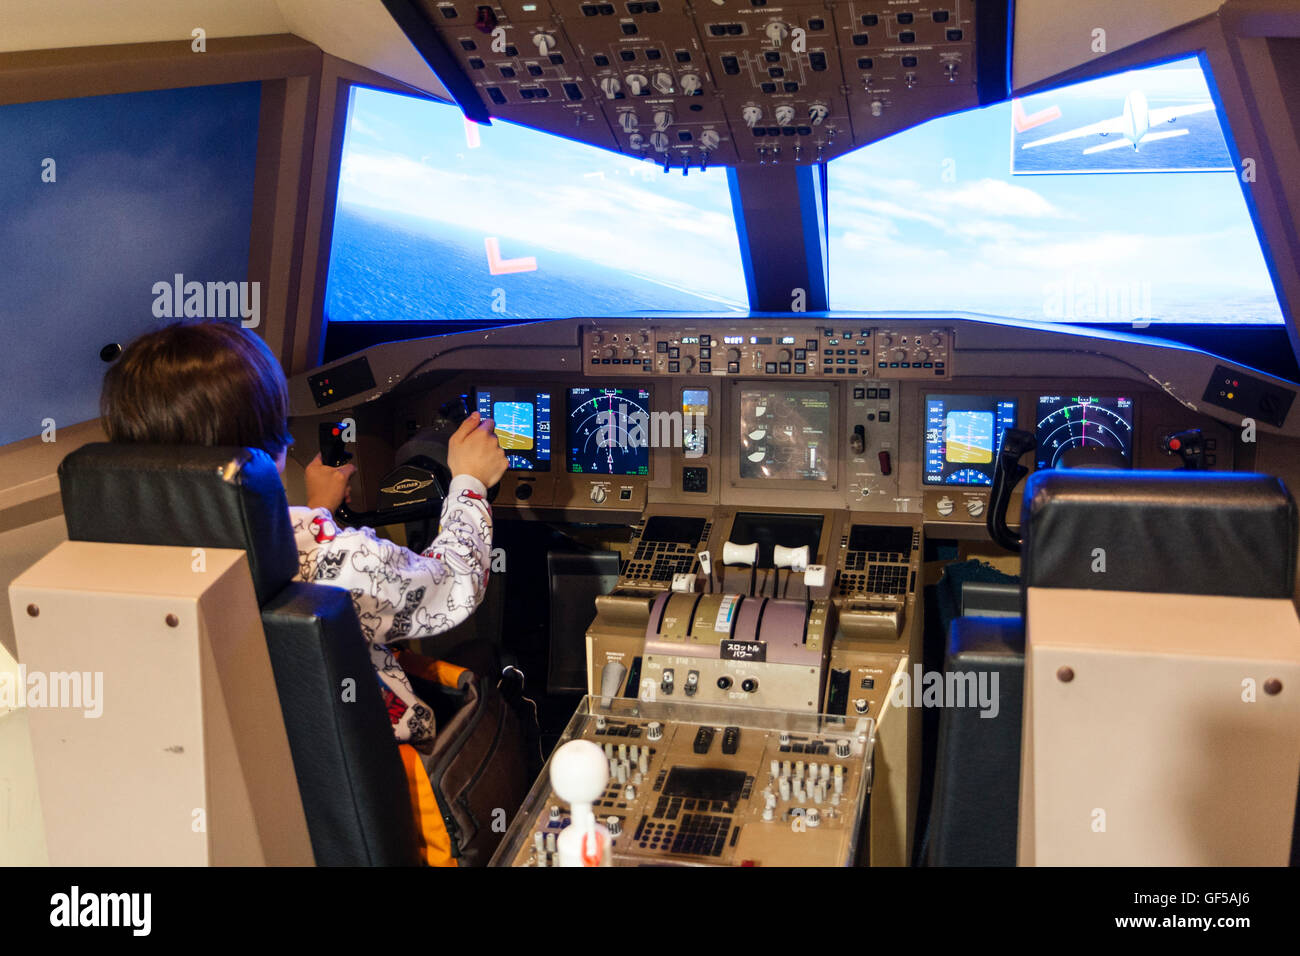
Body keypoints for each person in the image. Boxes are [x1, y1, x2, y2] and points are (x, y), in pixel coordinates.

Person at [99, 319, 508, 757]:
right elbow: (454, 584)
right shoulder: (343, 564)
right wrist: (469, 482)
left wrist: (317, 512)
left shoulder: (117, 558)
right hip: (390, 776)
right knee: (491, 660)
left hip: (255, 768)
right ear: (270, 442)